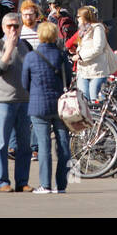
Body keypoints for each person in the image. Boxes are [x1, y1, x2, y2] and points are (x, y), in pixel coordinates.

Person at [21, 21, 72, 194]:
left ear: (40, 36)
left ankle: (45, 185)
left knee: (43, 146)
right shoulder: (62, 55)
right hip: (60, 106)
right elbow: (69, 78)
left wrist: (34, 92)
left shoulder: (31, 56)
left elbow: (24, 83)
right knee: (64, 144)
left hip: (38, 105)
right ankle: (62, 185)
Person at [0, 12, 33, 193]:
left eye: (16, 26)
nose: (13, 30)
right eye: (10, 26)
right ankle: (2, 182)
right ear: (3, 28)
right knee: (2, 143)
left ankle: (22, 181)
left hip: (24, 100)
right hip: (4, 100)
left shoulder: (27, 46)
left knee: (24, 145)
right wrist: (9, 49)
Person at [75, 5, 117, 103]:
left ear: (85, 17)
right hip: (83, 70)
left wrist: (81, 56)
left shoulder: (98, 28)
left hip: (96, 70)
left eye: (78, 16)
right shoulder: (82, 30)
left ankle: (100, 117)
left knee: (95, 99)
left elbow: (98, 48)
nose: (77, 19)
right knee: (83, 100)